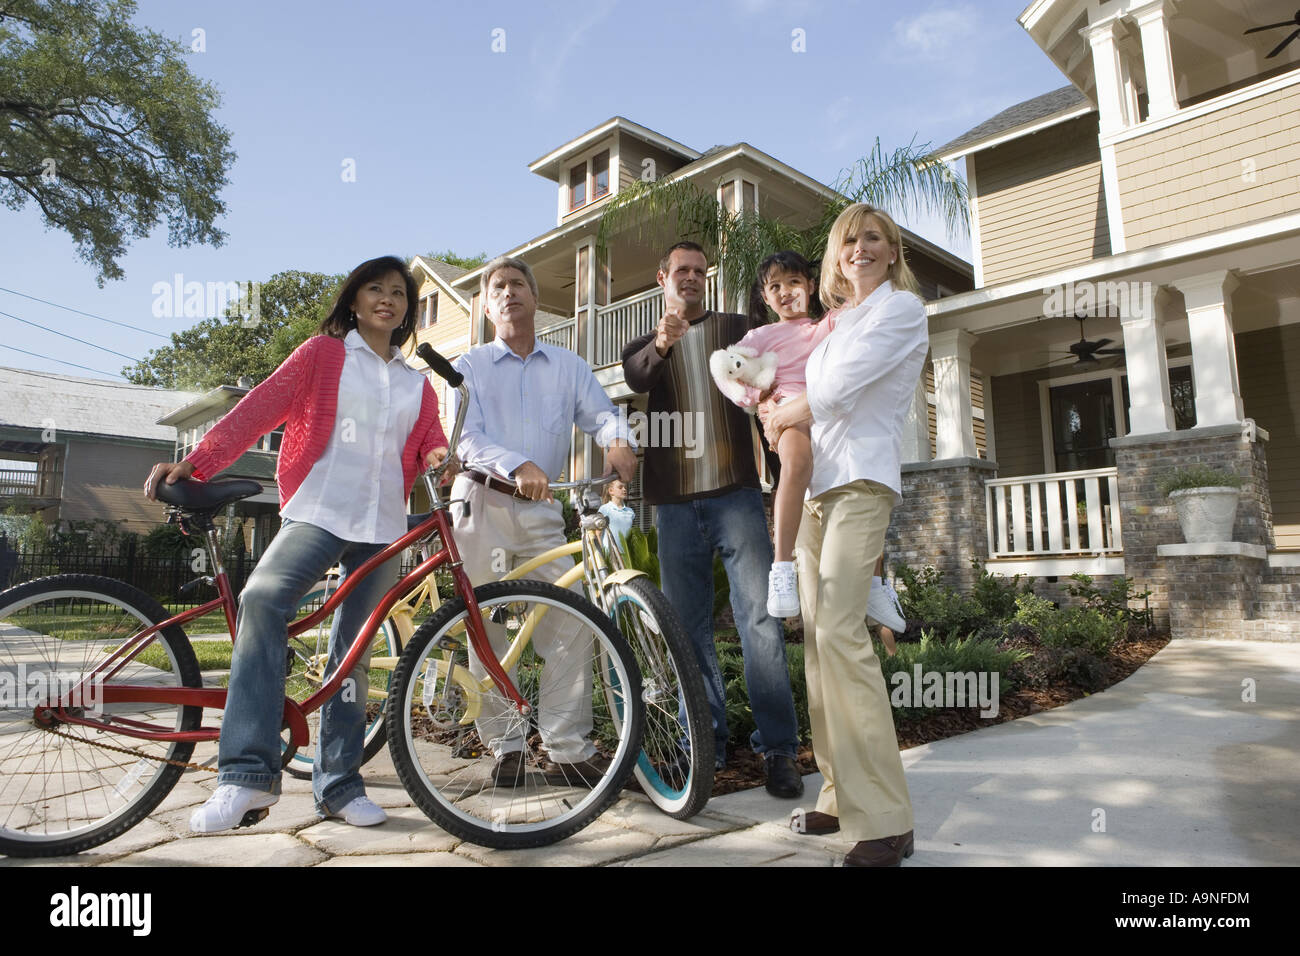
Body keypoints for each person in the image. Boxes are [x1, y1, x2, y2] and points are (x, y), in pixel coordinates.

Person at [144, 255, 451, 833]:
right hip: (320, 511)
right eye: (374, 289)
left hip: (384, 525)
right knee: (263, 601)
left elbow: (429, 442)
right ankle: (243, 778)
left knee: (353, 656)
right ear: (354, 300)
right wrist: (199, 462)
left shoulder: (418, 383)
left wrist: (439, 456)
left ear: (408, 311)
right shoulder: (322, 354)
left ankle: (338, 785)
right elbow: (258, 406)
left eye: (399, 293)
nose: (387, 299)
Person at [761, 203, 925, 866]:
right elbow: (795, 384)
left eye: (874, 239)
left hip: (862, 481)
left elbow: (835, 389)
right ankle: (837, 794)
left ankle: (888, 817)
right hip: (816, 491)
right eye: (849, 240)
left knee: (840, 633)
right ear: (836, 254)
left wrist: (789, 408)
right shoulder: (832, 323)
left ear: (892, 251)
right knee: (816, 644)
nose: (861, 248)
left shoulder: (901, 311)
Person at [622, 241, 803, 798]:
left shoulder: (739, 329)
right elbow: (638, 380)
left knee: (759, 622)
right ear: (663, 278)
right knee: (689, 632)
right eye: (683, 271)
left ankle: (779, 751)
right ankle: (707, 744)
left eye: (701, 271)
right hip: (673, 506)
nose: (693, 278)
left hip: (736, 497)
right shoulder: (643, 344)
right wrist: (662, 340)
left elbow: (774, 376)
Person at [448, 255, 637, 786]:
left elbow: (601, 413)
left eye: (517, 285)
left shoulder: (570, 366)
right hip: (481, 503)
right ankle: (504, 746)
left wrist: (618, 441)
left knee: (571, 620)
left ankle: (567, 748)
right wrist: (517, 464)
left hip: (542, 510)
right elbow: (464, 438)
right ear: (488, 305)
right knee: (483, 625)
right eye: (498, 287)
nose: (508, 293)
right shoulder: (468, 367)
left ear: (534, 298)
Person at [715, 251, 833, 619]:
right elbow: (725, 371)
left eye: (794, 282)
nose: (786, 292)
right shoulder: (760, 336)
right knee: (796, 461)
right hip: (786, 410)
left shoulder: (826, 326)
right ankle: (782, 566)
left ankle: (877, 583)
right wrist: (756, 397)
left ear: (811, 287)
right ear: (765, 297)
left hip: (829, 414)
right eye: (775, 286)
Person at [598, 478, 636, 550]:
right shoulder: (605, 509)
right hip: (610, 556)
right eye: (620, 487)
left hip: (627, 556)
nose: (624, 489)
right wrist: (601, 556)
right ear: (611, 491)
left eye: (625, 487)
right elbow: (597, 534)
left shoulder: (630, 512)